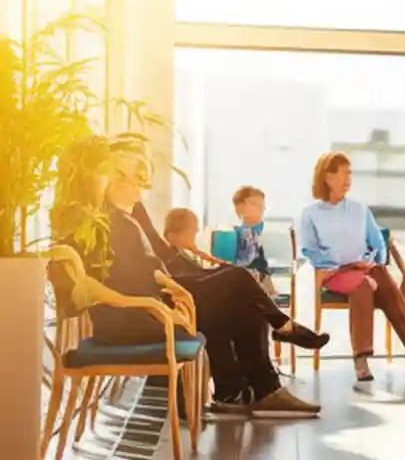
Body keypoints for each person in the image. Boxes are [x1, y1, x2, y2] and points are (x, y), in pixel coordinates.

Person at [83, 136, 321, 416]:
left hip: (165, 284)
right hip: (156, 298)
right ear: (114, 174)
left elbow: (159, 253)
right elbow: (137, 273)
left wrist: (198, 272)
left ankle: (242, 391)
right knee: (239, 281)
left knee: (241, 291)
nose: (143, 185)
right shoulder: (108, 221)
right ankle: (277, 343)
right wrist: (183, 281)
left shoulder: (129, 211)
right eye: (137, 175)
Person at [298, 151, 405, 382]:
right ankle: (362, 358)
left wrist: (370, 260)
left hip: (362, 267)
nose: (348, 179)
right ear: (327, 177)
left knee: (379, 274)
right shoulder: (310, 213)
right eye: (343, 174)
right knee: (363, 285)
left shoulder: (360, 209)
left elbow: (379, 245)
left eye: (350, 174)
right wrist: (337, 259)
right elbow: (308, 250)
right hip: (333, 271)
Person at [162, 207, 329, 353]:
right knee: (240, 276)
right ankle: (284, 327)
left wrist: (209, 260)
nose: (195, 234)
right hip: (198, 309)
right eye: (192, 231)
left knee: (253, 306)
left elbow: (201, 277)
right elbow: (193, 283)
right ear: (177, 232)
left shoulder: (183, 254)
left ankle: (264, 370)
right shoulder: (170, 258)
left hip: (206, 302)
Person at [231, 185, 276, 296]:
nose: (263, 211)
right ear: (243, 207)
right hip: (252, 282)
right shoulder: (246, 234)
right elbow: (244, 261)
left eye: (262, 208)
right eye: (259, 207)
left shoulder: (253, 232)